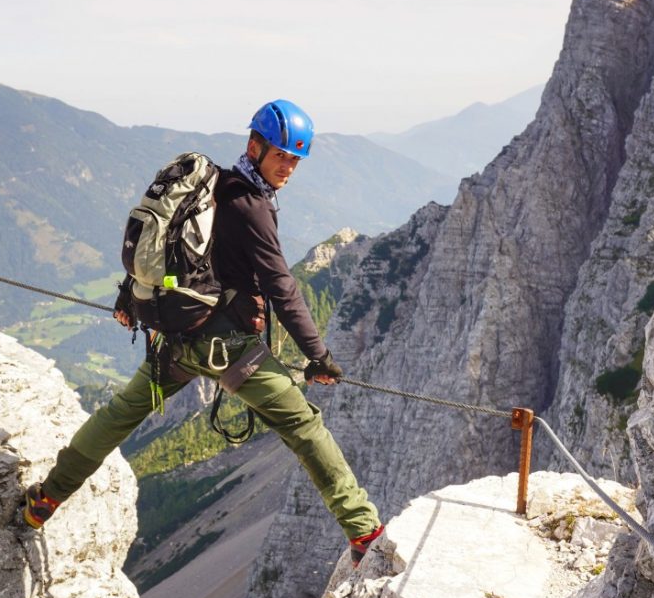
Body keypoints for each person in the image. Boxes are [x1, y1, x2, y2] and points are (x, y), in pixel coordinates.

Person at [22, 99, 384, 566]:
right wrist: (317, 355)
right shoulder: (251, 205)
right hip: (228, 348)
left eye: (295, 160)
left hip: (175, 340)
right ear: (255, 147)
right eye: (282, 156)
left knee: (119, 415)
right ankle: (363, 530)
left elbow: (169, 252)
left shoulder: (210, 190)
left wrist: (130, 300)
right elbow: (280, 285)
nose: (289, 168)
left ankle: (46, 498)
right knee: (304, 426)